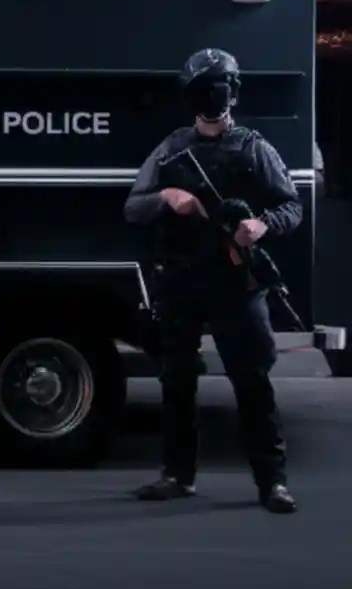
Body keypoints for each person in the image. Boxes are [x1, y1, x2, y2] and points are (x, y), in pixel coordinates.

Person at [125, 48, 300, 514]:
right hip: (182, 278)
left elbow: (291, 205)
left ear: (233, 93)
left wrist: (260, 227)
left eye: (220, 89)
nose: (213, 98)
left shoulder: (254, 148)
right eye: (205, 90)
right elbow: (133, 206)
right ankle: (178, 476)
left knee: (252, 381)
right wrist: (167, 195)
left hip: (236, 279)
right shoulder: (171, 149)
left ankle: (273, 483)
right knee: (177, 382)